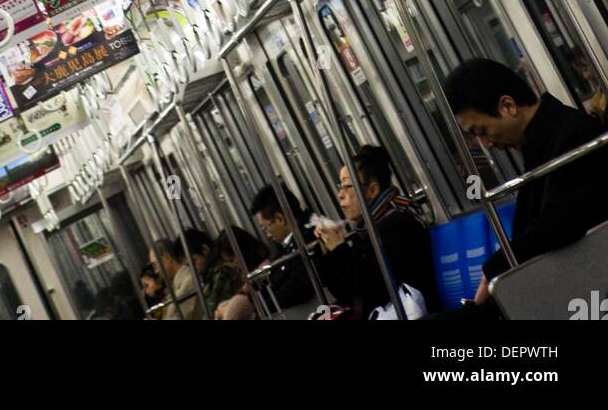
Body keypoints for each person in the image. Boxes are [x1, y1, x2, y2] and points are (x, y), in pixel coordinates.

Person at [445, 58, 608, 308]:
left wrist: (496, 268)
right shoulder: (542, 143)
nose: (486, 144)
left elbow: (561, 222)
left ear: (507, 106)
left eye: (482, 131)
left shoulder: (573, 137)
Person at [313, 145, 439, 319]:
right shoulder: (367, 229)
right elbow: (347, 293)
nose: (340, 195)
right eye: (340, 187)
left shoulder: (399, 224)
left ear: (372, 190)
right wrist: (327, 253)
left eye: (348, 187)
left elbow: (371, 287)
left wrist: (340, 249)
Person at [249, 184, 319, 310]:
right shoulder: (287, 246)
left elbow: (300, 287)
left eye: (266, 228)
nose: (267, 235)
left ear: (280, 219)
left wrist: (261, 308)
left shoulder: (309, 237)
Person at [202, 225, 268, 319]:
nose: (233, 265)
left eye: (232, 260)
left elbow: (236, 307)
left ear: (242, 251)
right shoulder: (242, 274)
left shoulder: (262, 270)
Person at [148, 237, 203, 320]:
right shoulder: (176, 285)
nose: (156, 271)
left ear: (167, 257)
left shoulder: (189, 280)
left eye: (155, 265)